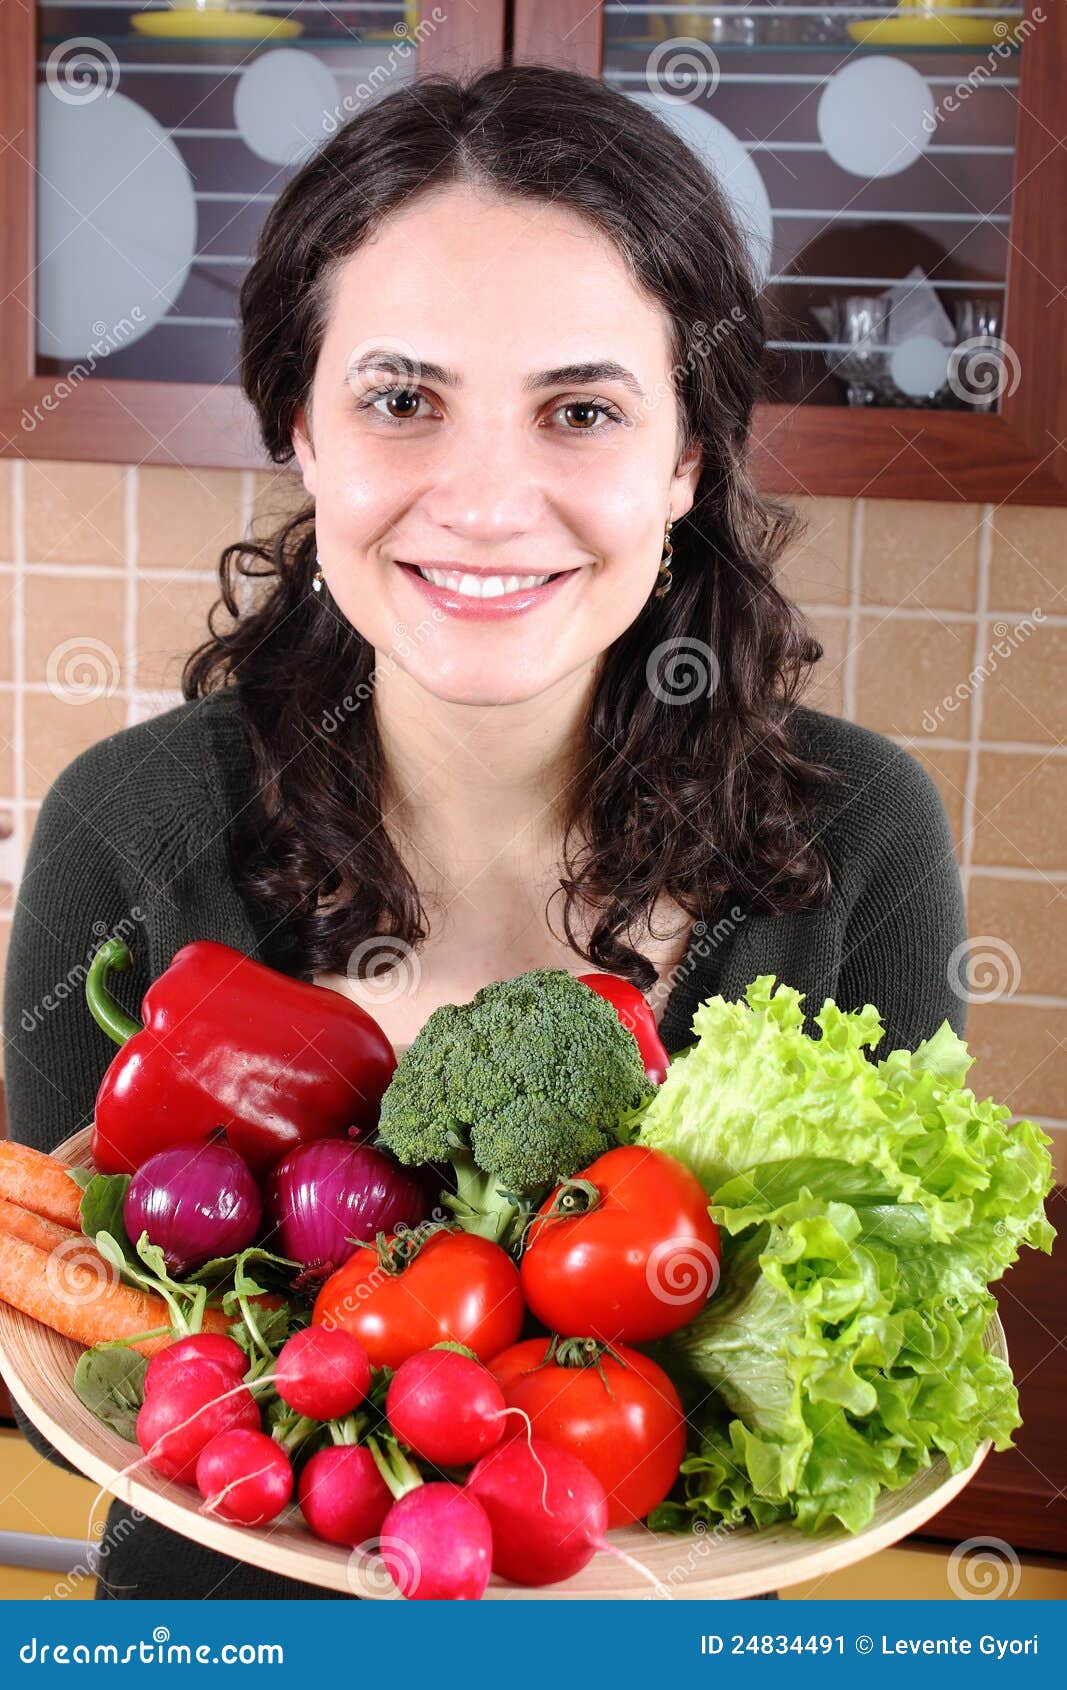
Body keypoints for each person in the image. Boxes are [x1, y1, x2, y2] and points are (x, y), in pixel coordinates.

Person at [3, 63, 966, 1601]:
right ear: (301, 433)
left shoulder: (862, 838)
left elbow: (885, 1365)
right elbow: (70, 1375)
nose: (487, 500)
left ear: (685, 463)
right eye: (401, 400)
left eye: (581, 409)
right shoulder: (131, 824)